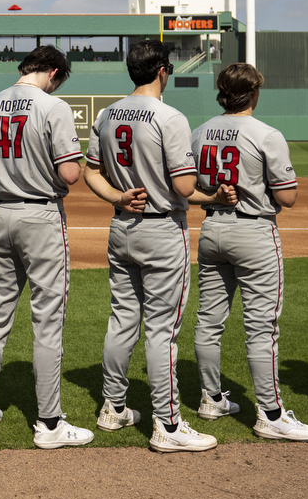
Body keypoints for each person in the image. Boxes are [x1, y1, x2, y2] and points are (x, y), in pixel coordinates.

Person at [83, 40, 235, 453]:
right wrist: (214, 197)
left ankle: (113, 407)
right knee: (162, 332)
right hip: (161, 228)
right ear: (163, 70)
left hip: (122, 226)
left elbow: (90, 172)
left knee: (122, 320)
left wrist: (116, 197)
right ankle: (167, 424)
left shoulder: (107, 113)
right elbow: (185, 186)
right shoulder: (169, 116)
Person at [0, 45, 94, 449]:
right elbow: (71, 173)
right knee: (47, 321)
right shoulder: (53, 107)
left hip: (0, 214)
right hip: (40, 216)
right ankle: (49, 423)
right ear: (54, 72)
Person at [190, 63, 308, 442]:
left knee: (209, 322)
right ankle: (271, 414)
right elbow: (288, 197)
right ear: (254, 93)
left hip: (212, 228)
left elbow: (192, 186)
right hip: (253, 232)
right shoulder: (266, 133)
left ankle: (211, 399)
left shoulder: (200, 133)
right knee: (261, 328)